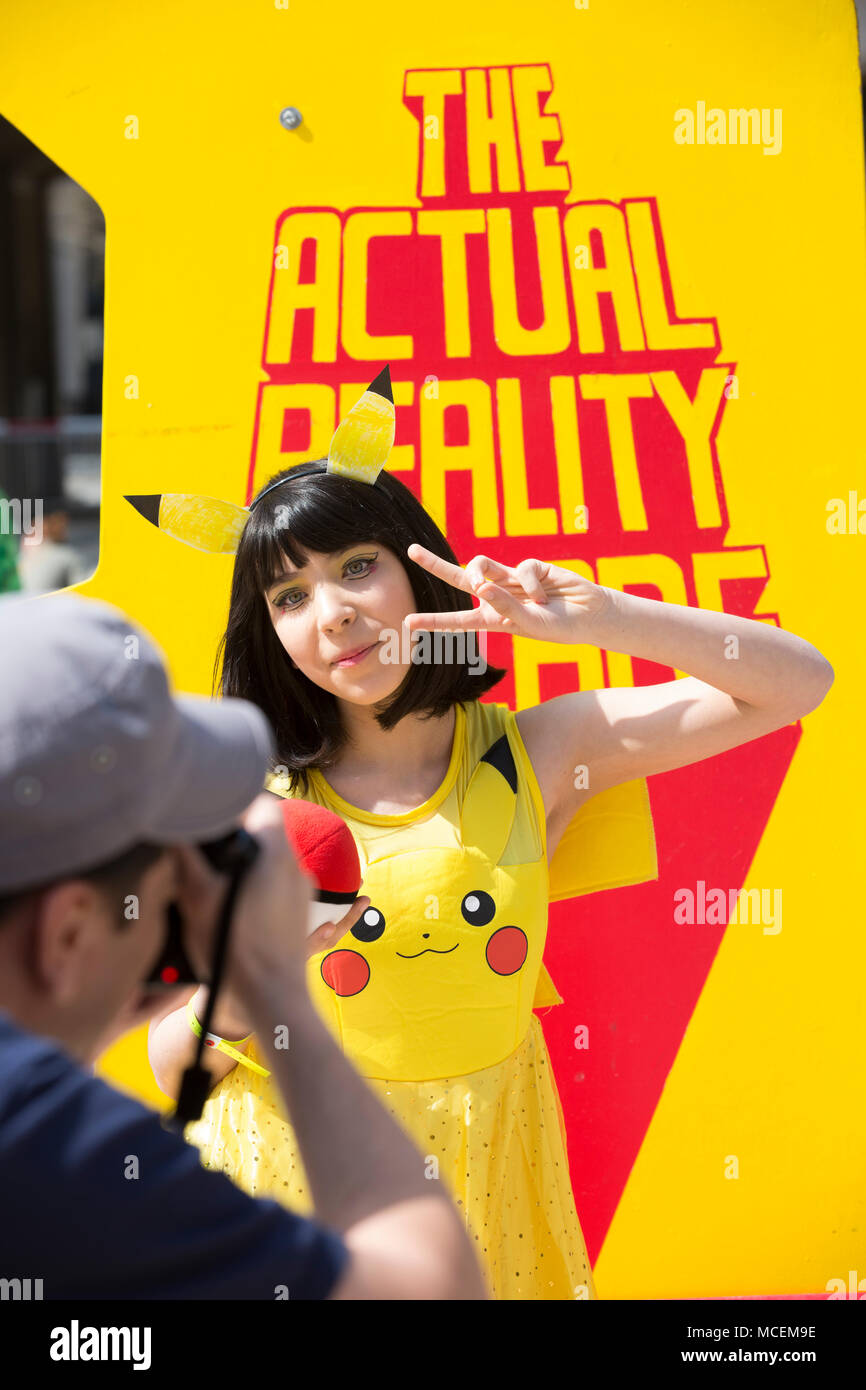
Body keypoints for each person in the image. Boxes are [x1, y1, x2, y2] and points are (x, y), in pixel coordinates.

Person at [146, 367, 835, 1300]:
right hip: (292, 1187)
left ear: (414, 569)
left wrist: (606, 615)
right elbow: (171, 1063)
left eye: (356, 566)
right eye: (289, 597)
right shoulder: (248, 791)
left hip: (486, 1181)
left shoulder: (542, 750)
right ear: (272, 635)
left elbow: (799, 683)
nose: (335, 612)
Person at [0, 589, 489, 1300]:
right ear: (67, 933)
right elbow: (427, 1290)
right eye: (169, 883)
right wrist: (268, 979)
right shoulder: (58, 1150)